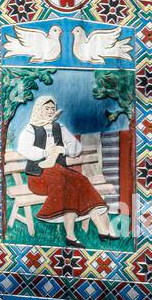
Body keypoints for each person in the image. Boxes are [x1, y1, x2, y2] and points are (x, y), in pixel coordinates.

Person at [14, 96, 112, 244]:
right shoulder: (31, 129)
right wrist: (45, 152)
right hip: (38, 176)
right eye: (46, 108)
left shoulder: (58, 127)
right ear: (39, 110)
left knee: (81, 180)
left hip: (60, 171)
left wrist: (63, 149)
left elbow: (76, 148)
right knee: (66, 184)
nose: (50, 111)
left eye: (52, 109)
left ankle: (102, 230)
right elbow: (24, 149)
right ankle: (70, 235)